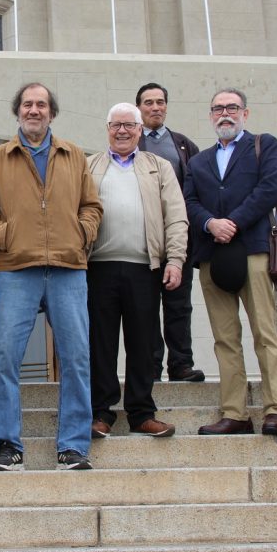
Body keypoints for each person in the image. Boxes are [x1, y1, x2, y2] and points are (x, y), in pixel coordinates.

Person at [0, 83, 103, 471]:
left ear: (52, 112)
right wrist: (4, 237)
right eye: (27, 104)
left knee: (77, 358)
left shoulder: (74, 155)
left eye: (41, 104)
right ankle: (7, 447)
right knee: (4, 358)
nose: (34, 110)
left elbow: (92, 206)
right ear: (18, 111)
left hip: (68, 268)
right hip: (16, 270)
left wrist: (81, 234)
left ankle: (73, 447)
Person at [183, 88, 277, 436]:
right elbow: (189, 201)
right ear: (210, 115)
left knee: (265, 333)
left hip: (253, 250)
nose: (224, 114)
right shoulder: (198, 161)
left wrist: (234, 222)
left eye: (231, 108)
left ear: (245, 112)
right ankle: (235, 412)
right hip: (213, 256)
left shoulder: (263, 145)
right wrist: (210, 223)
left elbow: (270, 189)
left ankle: (274, 409)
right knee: (225, 338)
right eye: (217, 109)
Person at [87, 103, 188, 439]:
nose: (122, 131)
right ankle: (101, 412)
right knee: (100, 343)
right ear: (106, 129)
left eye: (129, 125)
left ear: (140, 129)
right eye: (115, 124)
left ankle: (142, 413)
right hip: (97, 268)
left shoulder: (158, 167)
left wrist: (175, 259)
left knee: (143, 344)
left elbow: (176, 216)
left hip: (145, 268)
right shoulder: (89, 166)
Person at [136, 82, 205, 382]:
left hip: (179, 240)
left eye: (160, 102)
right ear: (139, 108)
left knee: (179, 305)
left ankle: (181, 364)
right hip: (143, 241)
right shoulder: (131, 140)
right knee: (147, 308)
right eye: (148, 102)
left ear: (166, 106)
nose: (155, 107)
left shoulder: (184, 145)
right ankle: (150, 367)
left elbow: (197, 190)